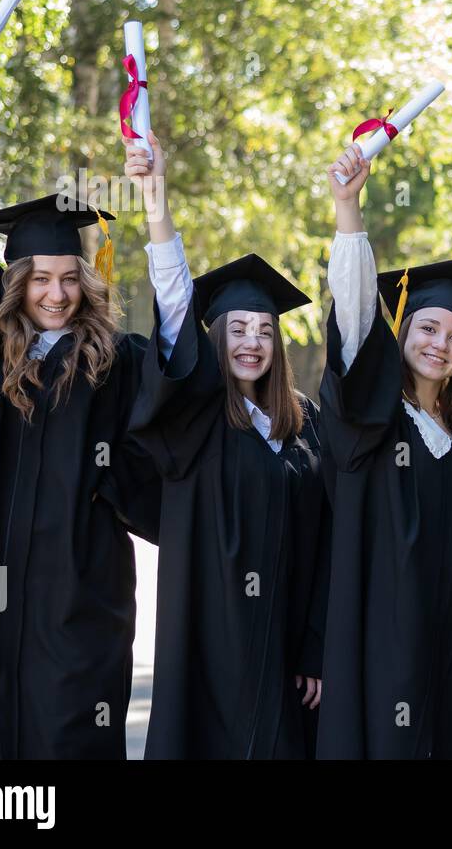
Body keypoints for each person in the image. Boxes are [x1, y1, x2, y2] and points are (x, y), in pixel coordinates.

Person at [0, 71, 158, 759]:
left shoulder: (115, 364)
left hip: (77, 602)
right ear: (15, 283)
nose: (56, 293)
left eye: (70, 278)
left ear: (88, 281)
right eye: (39, 279)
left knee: (67, 737)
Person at [123, 135, 328, 759]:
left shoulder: (304, 427)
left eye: (265, 331)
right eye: (236, 328)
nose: (251, 342)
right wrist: (156, 203)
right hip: (209, 648)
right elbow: (176, 308)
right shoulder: (200, 419)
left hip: (288, 650)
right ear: (215, 340)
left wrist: (316, 647)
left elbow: (324, 545)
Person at [316, 145, 452, 759]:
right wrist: (349, 210)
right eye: (426, 327)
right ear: (402, 330)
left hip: (451, 672)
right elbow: (356, 320)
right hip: (379, 663)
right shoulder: (374, 422)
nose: (440, 344)